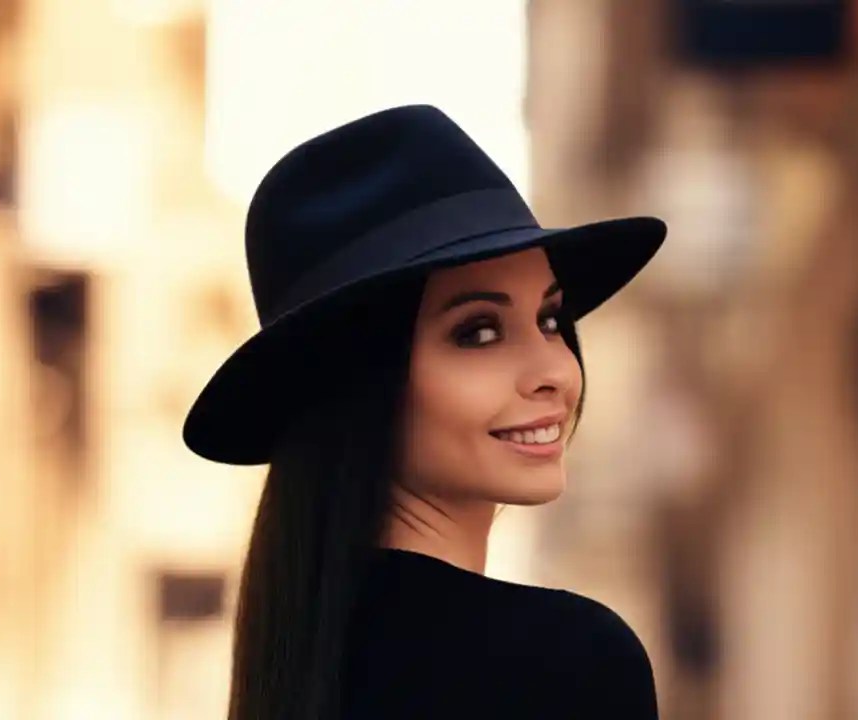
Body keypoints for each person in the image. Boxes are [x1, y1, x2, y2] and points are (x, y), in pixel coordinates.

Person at [182, 104, 667, 720]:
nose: (551, 371)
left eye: (549, 319)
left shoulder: (295, 663)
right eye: (479, 333)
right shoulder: (568, 661)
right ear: (362, 384)